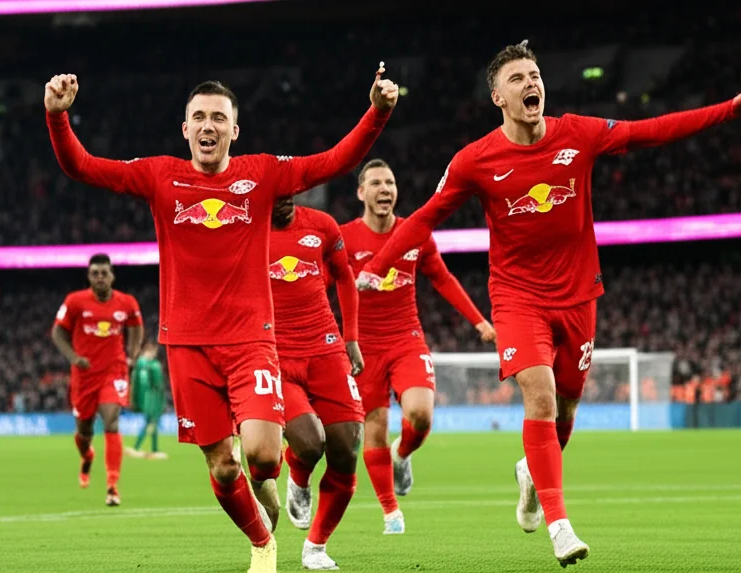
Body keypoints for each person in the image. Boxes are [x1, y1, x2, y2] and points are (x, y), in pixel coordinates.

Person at [356, 40, 741, 565]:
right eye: (518, 78)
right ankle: (560, 526)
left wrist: (728, 110)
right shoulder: (475, 160)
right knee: (542, 399)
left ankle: (530, 474)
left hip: (578, 297)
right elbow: (425, 218)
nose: (532, 83)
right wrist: (377, 265)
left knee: (567, 408)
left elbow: (654, 130)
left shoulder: (580, 133)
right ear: (497, 97)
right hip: (516, 298)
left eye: (536, 74)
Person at [44, 68, 397, 573]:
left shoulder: (262, 174)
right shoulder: (159, 174)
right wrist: (58, 117)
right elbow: (83, 166)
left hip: (252, 339)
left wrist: (378, 111)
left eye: (219, 118)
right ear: (185, 129)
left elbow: (334, 161)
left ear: (235, 130)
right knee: (223, 463)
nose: (208, 125)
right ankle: (261, 544)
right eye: (199, 118)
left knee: (262, 454)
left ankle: (271, 484)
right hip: (186, 344)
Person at [342, 158, 495, 534]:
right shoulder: (345, 238)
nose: (385, 189)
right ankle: (391, 513)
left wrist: (479, 321)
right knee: (373, 429)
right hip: (364, 347)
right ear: (361, 193)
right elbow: (324, 288)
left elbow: (442, 279)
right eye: (376, 183)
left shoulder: (416, 232)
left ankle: (402, 454)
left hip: (406, 338)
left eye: (390, 183)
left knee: (421, 415)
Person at [269, 197, 365, 570]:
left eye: (292, 189)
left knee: (346, 449)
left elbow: (344, 276)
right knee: (310, 443)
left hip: (325, 348)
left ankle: (317, 546)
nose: (286, 197)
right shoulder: (248, 228)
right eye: (277, 192)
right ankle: (299, 474)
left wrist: (351, 337)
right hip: (274, 353)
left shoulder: (323, 225)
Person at [51, 253, 144, 506]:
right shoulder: (75, 302)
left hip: (114, 371)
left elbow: (137, 326)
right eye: (95, 273)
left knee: (111, 421)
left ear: (112, 275)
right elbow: (57, 332)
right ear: (88, 277)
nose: (100, 277)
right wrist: (73, 357)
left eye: (104, 273)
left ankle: (112, 486)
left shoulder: (126, 303)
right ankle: (87, 454)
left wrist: (132, 355)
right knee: (84, 430)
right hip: (84, 375)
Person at [127, 340, 168, 460]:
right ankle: (137, 447)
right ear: (150, 351)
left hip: (144, 398)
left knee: (152, 424)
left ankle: (154, 449)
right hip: (153, 399)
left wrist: (135, 400)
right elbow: (158, 383)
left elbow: (137, 383)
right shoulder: (153, 365)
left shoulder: (139, 365)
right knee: (150, 423)